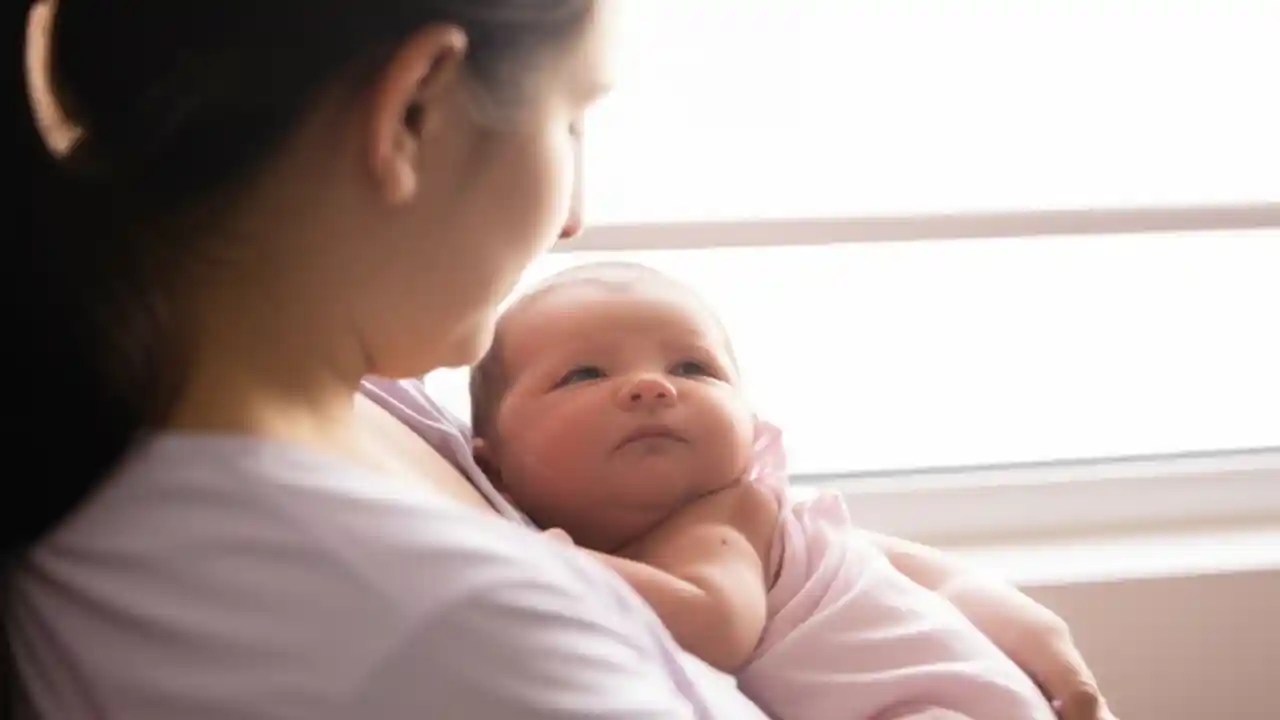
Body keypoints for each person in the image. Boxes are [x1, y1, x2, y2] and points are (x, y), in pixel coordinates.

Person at [6, 1, 1112, 718]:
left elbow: (743, 523)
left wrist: (958, 590)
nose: (575, 216)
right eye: (569, 122)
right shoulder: (459, 636)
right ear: (415, 112)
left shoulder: (349, 396)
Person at [468, 261, 1065, 719]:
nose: (652, 388)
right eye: (585, 374)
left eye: (692, 369)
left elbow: (716, 624)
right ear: (494, 469)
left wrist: (544, 559)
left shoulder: (721, 518)